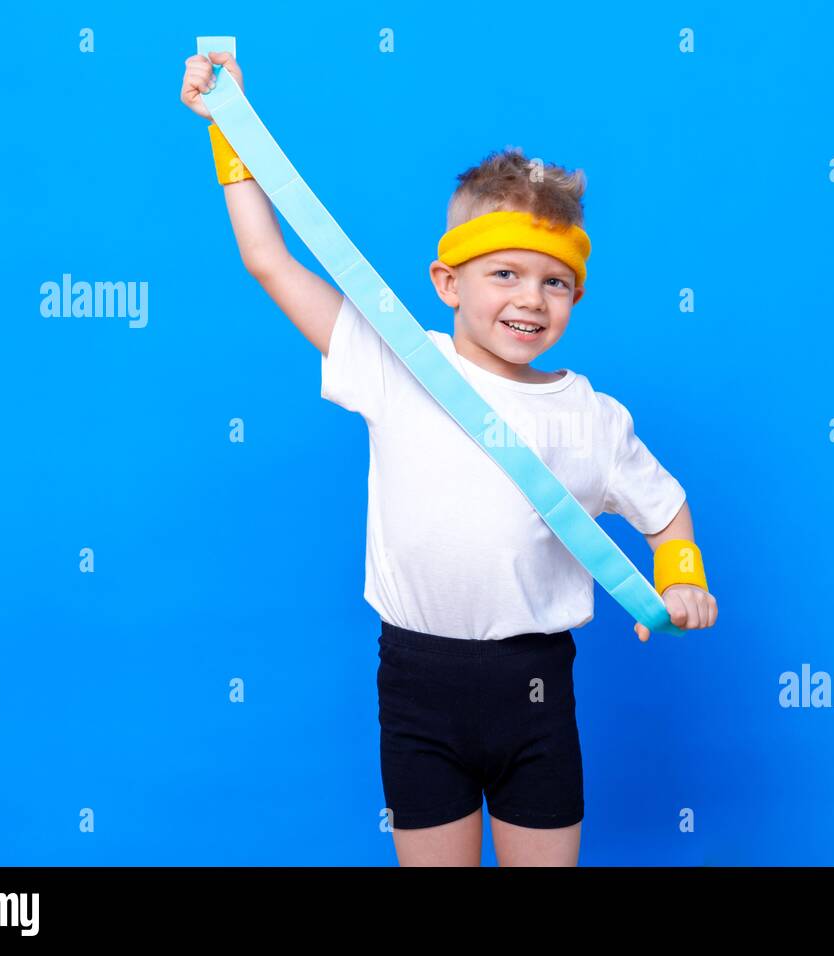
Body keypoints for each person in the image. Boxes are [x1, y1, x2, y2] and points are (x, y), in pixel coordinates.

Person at [180, 51, 718, 866]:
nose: (529, 299)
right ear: (446, 282)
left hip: (537, 691)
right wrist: (230, 126)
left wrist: (681, 574)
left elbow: (666, 508)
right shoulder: (393, 366)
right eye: (504, 273)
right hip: (416, 687)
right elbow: (269, 260)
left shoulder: (594, 418)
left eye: (554, 282)